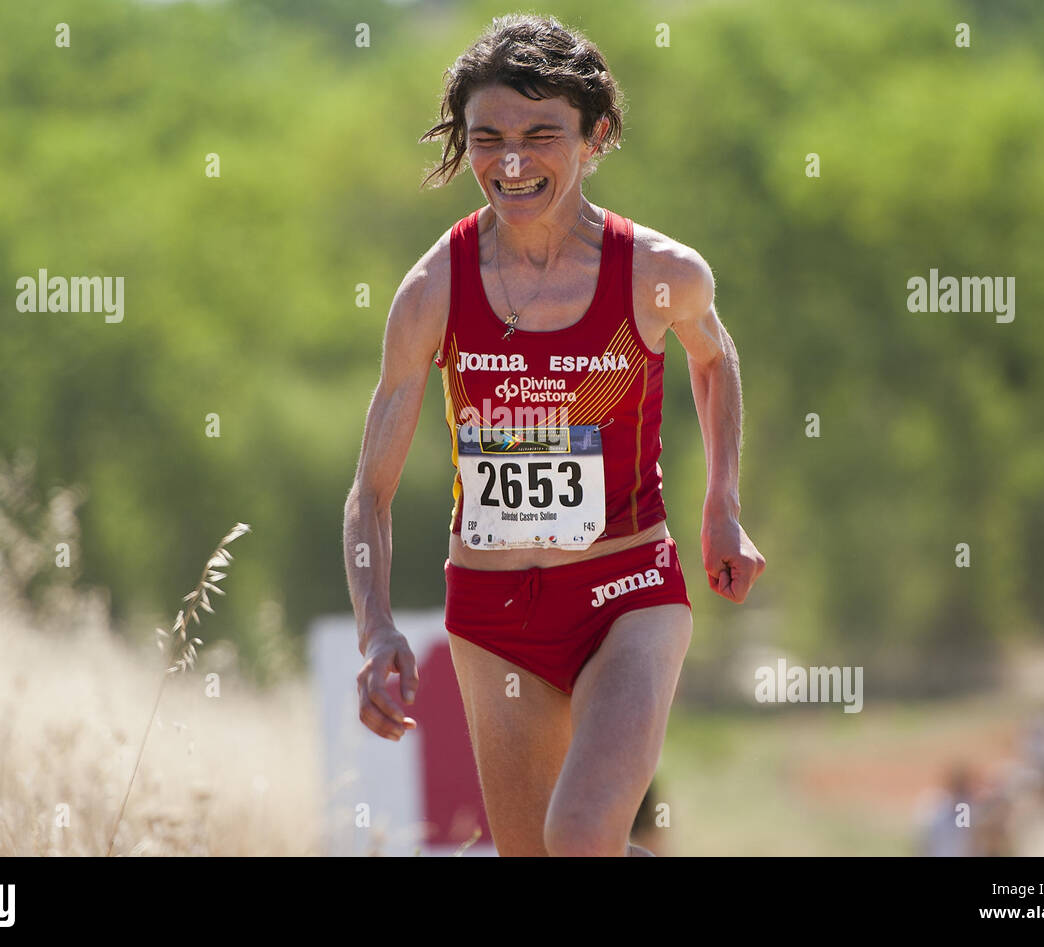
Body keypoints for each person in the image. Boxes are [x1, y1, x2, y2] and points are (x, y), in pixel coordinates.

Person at [343, 13, 765, 857]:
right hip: (492, 614)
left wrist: (722, 504)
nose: (511, 161)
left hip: (626, 597)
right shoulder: (432, 290)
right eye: (488, 137)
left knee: (578, 833)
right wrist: (377, 627)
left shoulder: (657, 271)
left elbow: (713, 361)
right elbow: (371, 493)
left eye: (542, 135)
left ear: (595, 136)